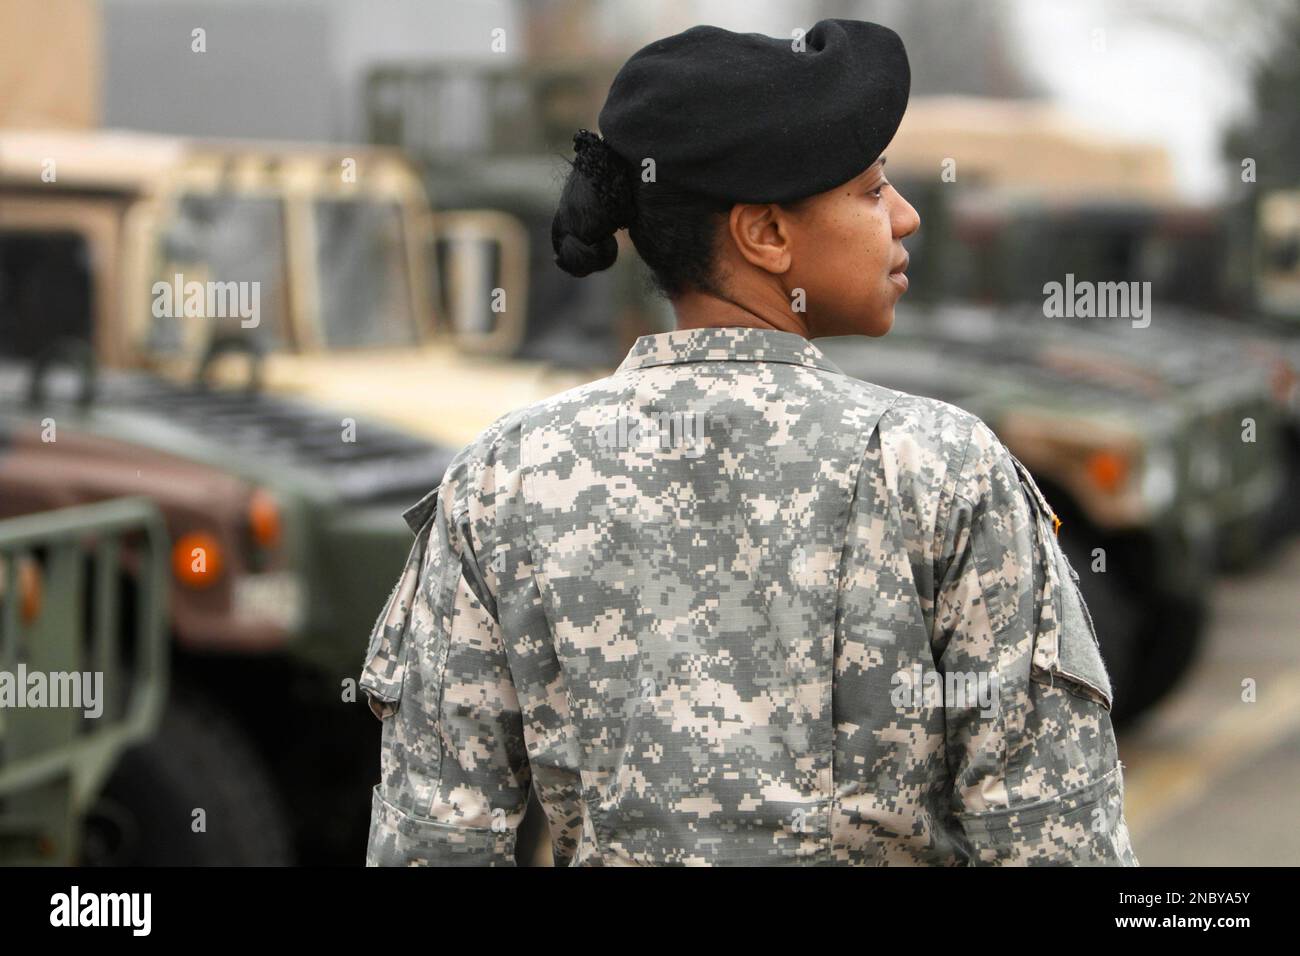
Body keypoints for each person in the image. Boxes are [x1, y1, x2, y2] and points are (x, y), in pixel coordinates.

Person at [360, 18, 1137, 866]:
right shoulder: (942, 469)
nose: (907, 217)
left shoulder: (502, 479)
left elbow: (436, 841)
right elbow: (1053, 842)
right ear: (764, 234)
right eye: (873, 191)